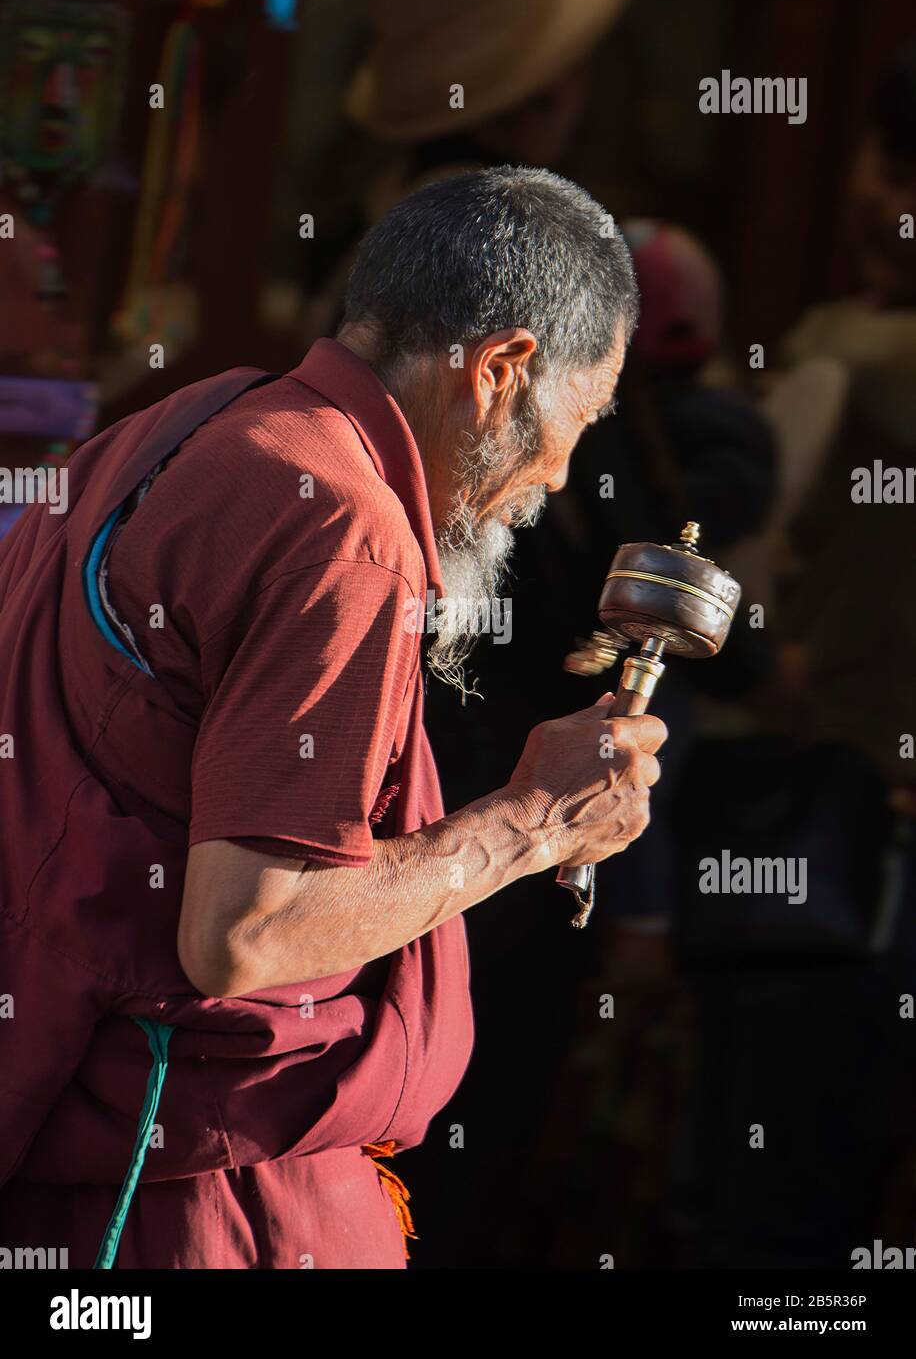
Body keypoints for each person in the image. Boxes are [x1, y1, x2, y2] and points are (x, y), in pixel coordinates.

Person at [0, 166, 667, 1269]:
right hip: (176, 1197)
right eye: (577, 422)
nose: (559, 473)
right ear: (502, 370)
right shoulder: (342, 527)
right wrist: (532, 824)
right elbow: (244, 932)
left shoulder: (187, 421)